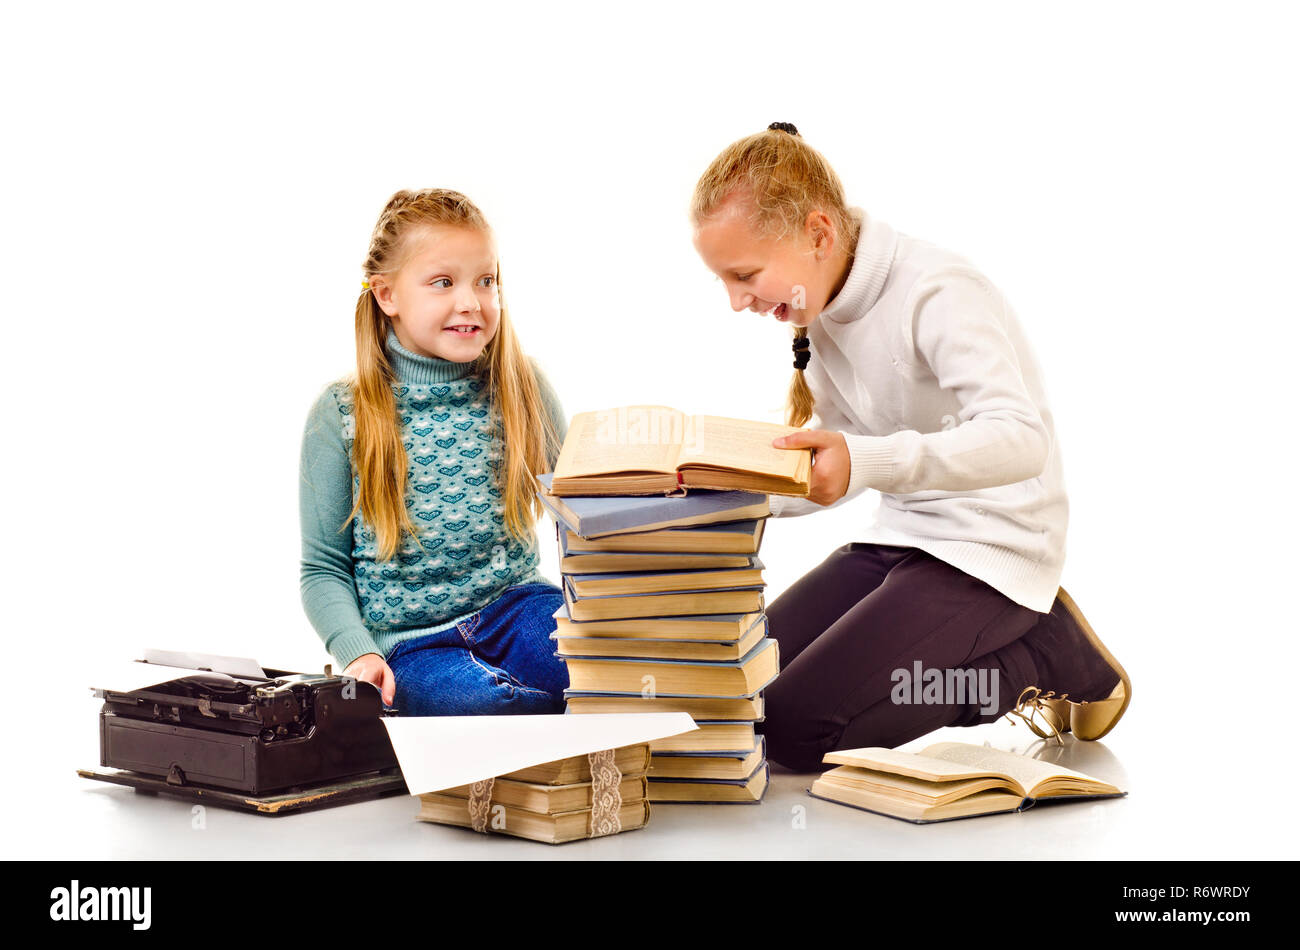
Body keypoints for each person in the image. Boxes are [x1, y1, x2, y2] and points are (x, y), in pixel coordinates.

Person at [690, 123, 1130, 771]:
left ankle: (1042, 653)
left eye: (745, 274)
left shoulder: (938, 291)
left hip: (991, 545)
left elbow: (1020, 438)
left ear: (818, 232)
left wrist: (866, 460)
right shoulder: (821, 313)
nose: (735, 302)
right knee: (742, 693)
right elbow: (840, 465)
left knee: (795, 731)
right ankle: (1005, 636)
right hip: (904, 535)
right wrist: (724, 499)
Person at [298, 188, 570, 716]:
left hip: (517, 608)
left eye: (486, 281)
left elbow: (583, 512)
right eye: (443, 282)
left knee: (601, 677)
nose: (471, 301)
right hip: (411, 644)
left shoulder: (522, 385)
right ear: (386, 295)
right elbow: (322, 568)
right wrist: (359, 654)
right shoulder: (340, 413)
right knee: (490, 712)